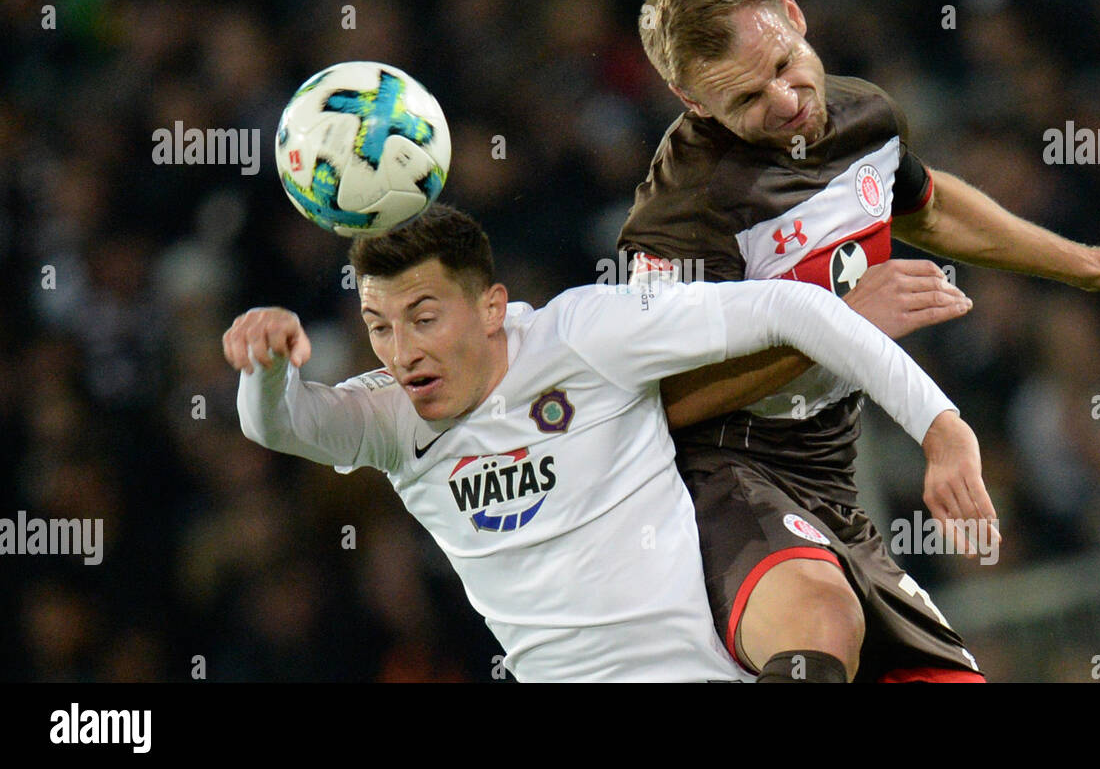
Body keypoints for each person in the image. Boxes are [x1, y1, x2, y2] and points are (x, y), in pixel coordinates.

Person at [619, 0, 1100, 683]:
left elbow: (928, 208)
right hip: (719, 475)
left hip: (829, 477)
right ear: (691, 101)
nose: (786, 101)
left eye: (785, 64)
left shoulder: (862, 116)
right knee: (821, 626)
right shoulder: (682, 215)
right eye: (746, 97)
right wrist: (835, 323)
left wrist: (1091, 265)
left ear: (793, 12)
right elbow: (660, 402)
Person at [223, 203, 982, 682]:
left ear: (491, 308)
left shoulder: (584, 335)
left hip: (712, 668)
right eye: (379, 327)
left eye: (424, 317)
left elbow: (791, 307)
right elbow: (280, 424)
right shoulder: (389, 418)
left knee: (827, 625)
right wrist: (263, 367)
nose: (402, 351)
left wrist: (942, 431)